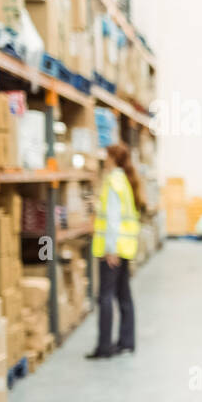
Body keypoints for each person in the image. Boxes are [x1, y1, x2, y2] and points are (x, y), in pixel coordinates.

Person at [87, 143, 141, 359]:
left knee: (106, 297)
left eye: (107, 156)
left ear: (113, 159)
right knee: (123, 295)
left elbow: (112, 219)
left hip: (113, 250)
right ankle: (127, 342)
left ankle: (104, 347)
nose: (104, 159)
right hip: (125, 247)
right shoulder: (125, 180)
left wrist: (110, 250)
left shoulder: (113, 181)